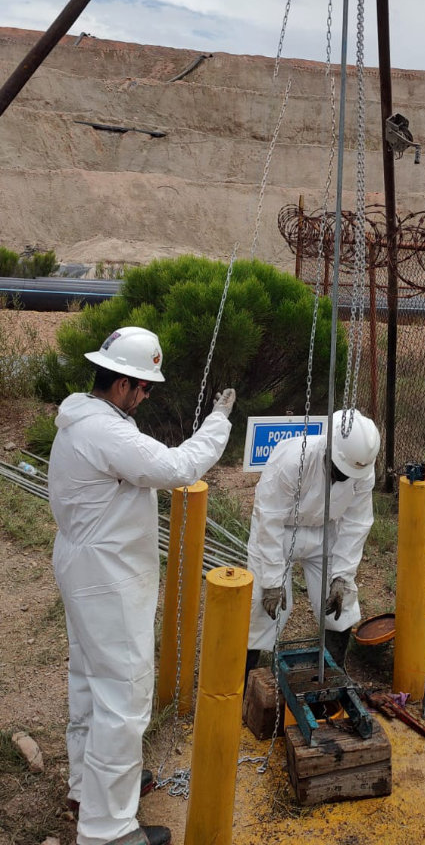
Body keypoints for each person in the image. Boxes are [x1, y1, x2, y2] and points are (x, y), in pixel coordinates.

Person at [48, 326, 236, 845]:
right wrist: (217, 423)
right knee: (123, 694)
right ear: (124, 384)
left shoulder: (81, 418)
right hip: (105, 576)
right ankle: (106, 831)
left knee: (90, 678)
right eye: (144, 386)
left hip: (85, 563)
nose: (147, 395)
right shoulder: (108, 433)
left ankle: (88, 790)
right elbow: (179, 467)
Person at [245, 409, 380, 677]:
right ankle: (245, 676)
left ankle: (332, 674)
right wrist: (272, 582)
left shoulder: (362, 470)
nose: (343, 478)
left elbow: (356, 524)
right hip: (280, 532)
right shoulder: (292, 460)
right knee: (263, 607)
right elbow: (268, 519)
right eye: (340, 471)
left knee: (342, 603)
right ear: (329, 449)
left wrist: (342, 576)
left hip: (325, 532)